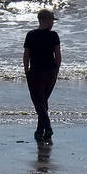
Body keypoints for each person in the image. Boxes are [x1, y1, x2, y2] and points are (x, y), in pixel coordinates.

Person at [23, 9, 61, 143]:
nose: (53, 23)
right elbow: (58, 56)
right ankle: (41, 132)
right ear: (46, 20)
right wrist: (56, 71)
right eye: (52, 20)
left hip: (35, 72)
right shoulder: (53, 35)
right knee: (43, 102)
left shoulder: (31, 35)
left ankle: (47, 127)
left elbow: (26, 55)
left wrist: (26, 70)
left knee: (38, 102)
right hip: (50, 72)